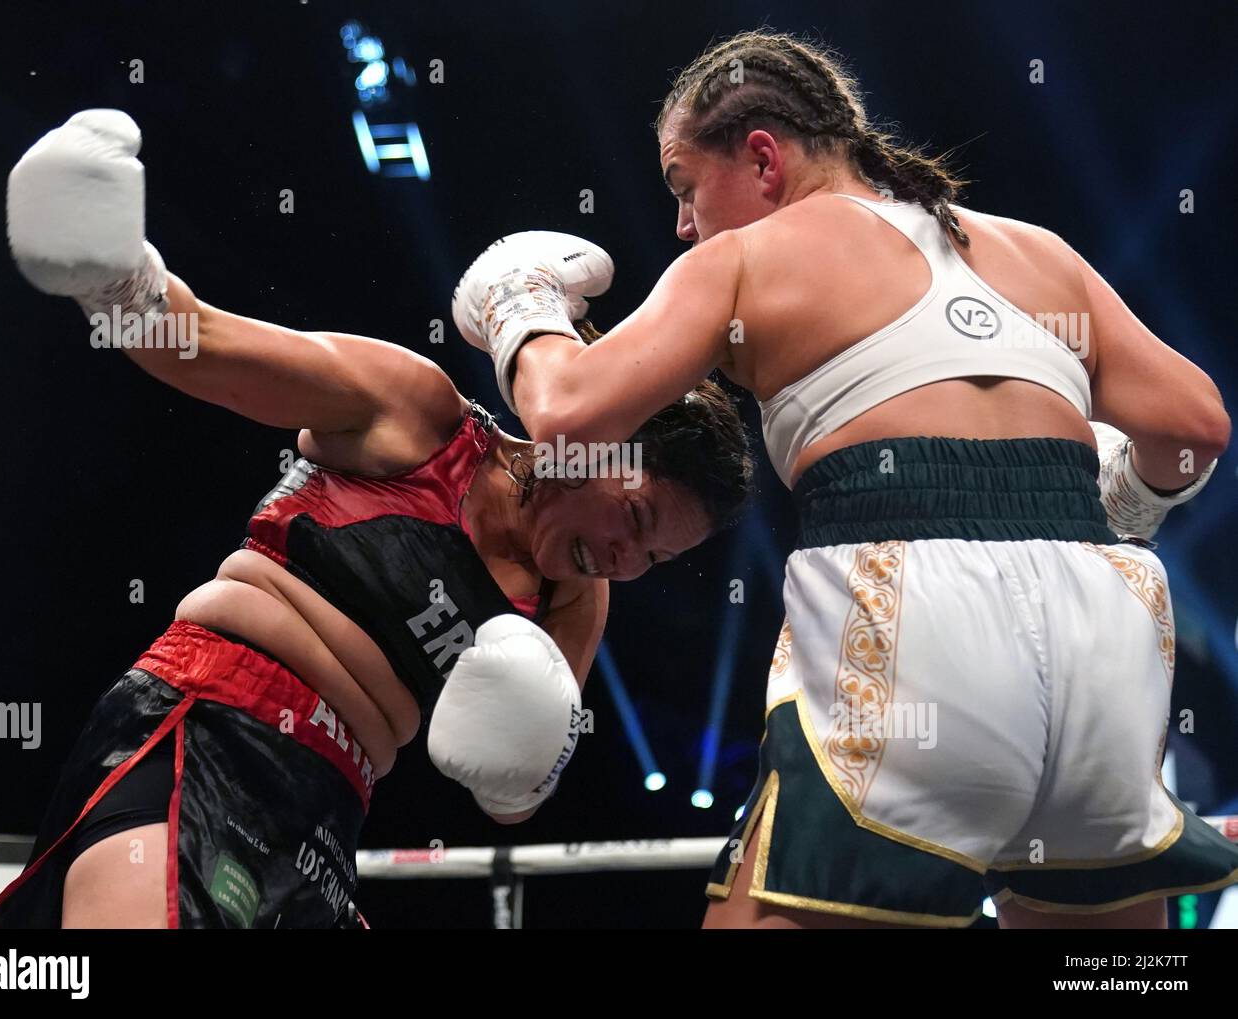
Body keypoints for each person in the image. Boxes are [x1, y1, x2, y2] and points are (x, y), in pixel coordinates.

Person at [451, 29, 1237, 929]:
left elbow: (565, 412)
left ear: (762, 158)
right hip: (1105, 630)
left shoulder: (745, 260)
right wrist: (1120, 500)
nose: (682, 224)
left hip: (918, 620)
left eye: (684, 186)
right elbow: (1196, 427)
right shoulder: (1037, 253)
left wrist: (520, 303)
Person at [0, 109, 753, 929]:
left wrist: (519, 751)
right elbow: (198, 344)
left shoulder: (573, 599)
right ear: (602, 434)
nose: (627, 559)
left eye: (656, 559)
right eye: (636, 517)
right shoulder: (417, 416)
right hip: (208, 723)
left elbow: (515, 796)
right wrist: (112, 277)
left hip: (328, 815)